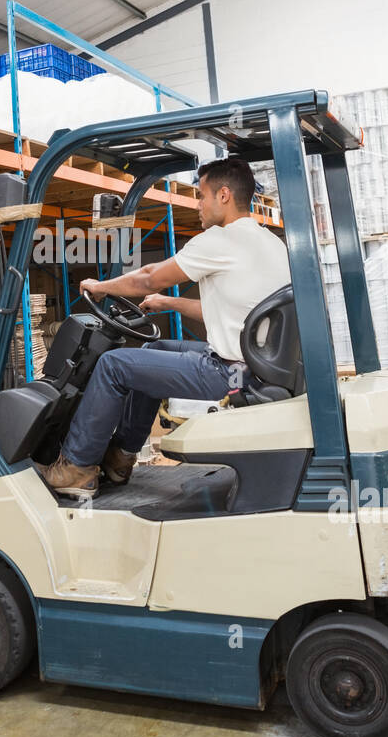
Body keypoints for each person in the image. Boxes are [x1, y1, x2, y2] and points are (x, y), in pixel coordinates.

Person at [37, 156, 292, 497]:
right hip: (254, 364)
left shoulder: (221, 240)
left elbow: (148, 279)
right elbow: (237, 315)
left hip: (229, 371)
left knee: (114, 365)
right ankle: (119, 458)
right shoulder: (270, 243)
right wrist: (169, 303)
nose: (197, 204)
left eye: (201, 196)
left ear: (224, 195)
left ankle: (76, 467)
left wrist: (101, 286)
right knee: (152, 351)